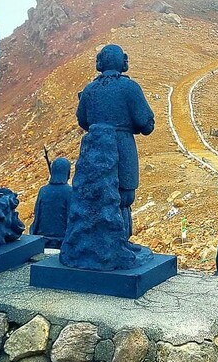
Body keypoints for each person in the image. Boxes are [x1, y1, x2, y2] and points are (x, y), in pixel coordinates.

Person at [76, 45, 154, 237]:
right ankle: (121, 242)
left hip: (95, 149)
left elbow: (82, 120)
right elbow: (146, 124)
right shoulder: (130, 87)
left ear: (100, 63)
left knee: (95, 197)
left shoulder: (90, 90)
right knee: (123, 197)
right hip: (122, 146)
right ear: (123, 62)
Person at [30, 155, 72, 246]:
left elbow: (37, 217)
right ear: (67, 173)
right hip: (61, 241)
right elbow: (70, 218)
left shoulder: (43, 190)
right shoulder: (69, 191)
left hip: (42, 239)